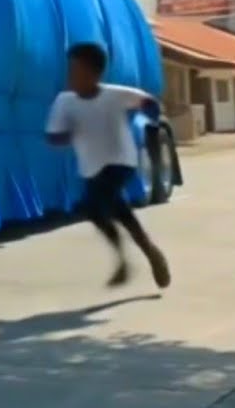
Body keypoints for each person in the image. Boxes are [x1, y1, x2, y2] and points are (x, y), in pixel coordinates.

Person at [45, 43, 172, 290]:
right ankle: (146, 252)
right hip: (91, 167)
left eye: (79, 72)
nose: (73, 77)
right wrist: (66, 135)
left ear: (95, 74)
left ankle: (130, 259)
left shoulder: (114, 94)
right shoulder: (64, 102)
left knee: (104, 198)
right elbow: (52, 137)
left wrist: (151, 112)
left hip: (121, 162)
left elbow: (148, 102)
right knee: (101, 210)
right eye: (71, 71)